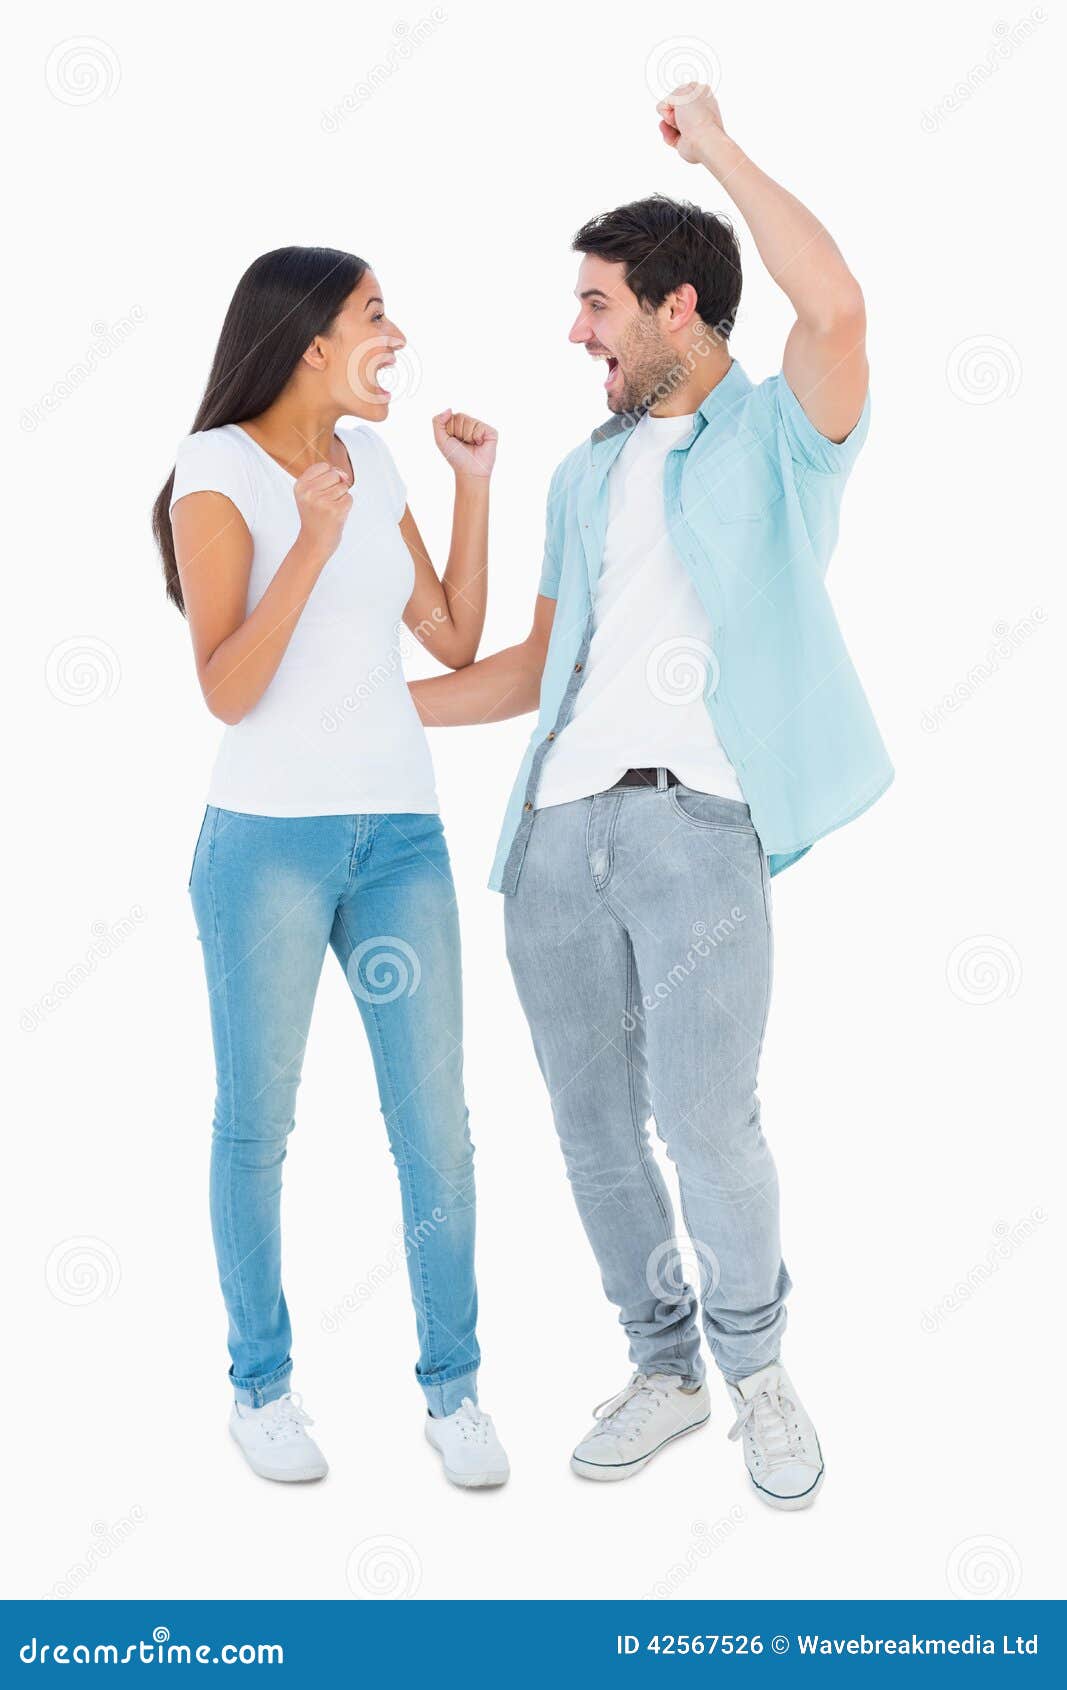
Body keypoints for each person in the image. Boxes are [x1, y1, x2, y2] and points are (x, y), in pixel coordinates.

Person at [410, 86, 892, 1509]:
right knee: (587, 1123)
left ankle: (757, 1376)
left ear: (678, 310)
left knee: (707, 1117)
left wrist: (717, 152)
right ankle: (664, 1365)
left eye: (596, 304)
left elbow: (838, 304)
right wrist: (365, 700)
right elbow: (529, 668)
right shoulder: (581, 471)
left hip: (697, 832)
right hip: (555, 836)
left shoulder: (776, 442)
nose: (575, 330)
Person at [153, 245, 508, 1489]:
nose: (394, 333)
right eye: (372, 315)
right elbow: (226, 689)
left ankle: (453, 1389)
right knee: (258, 1125)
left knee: (438, 1134)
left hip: (399, 832)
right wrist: (306, 539)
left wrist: (470, 487)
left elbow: (454, 634)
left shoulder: (379, 457)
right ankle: (261, 1386)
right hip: (268, 845)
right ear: (308, 338)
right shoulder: (216, 470)